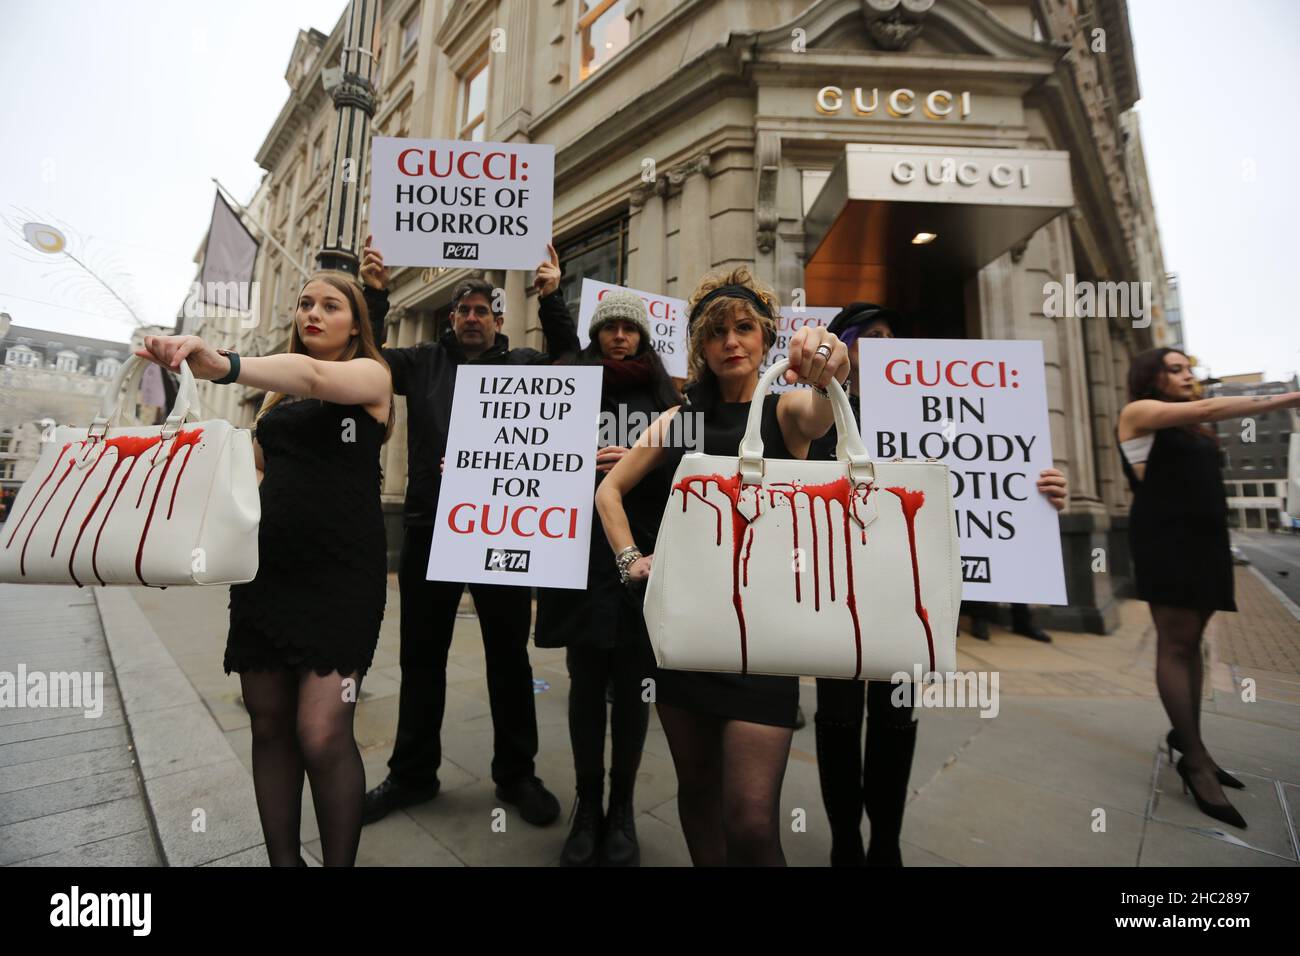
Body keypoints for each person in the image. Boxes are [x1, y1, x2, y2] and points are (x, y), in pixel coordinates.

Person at [133, 270, 393, 866]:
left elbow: (316, 374)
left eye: (331, 305)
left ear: (357, 323)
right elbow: (254, 475)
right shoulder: (277, 401)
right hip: (269, 573)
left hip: (342, 575)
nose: (314, 312)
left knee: (322, 733)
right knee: (269, 724)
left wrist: (225, 363)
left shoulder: (370, 376)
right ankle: (282, 863)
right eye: (305, 303)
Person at [596, 266, 849, 866]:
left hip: (764, 644)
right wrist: (632, 560)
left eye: (743, 328)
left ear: (764, 338)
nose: (731, 341)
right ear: (701, 348)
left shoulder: (785, 411)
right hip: (685, 636)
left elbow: (821, 415)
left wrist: (829, 359)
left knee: (754, 822)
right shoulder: (679, 418)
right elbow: (608, 493)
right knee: (699, 796)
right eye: (716, 333)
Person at [810, 302, 1068, 866]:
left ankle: (886, 842)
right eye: (868, 336)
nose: (882, 343)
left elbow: (983, 474)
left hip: (908, 589)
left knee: (896, 716)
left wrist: (1037, 491)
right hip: (840, 586)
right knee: (836, 716)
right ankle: (844, 842)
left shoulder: (938, 415)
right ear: (845, 348)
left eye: (889, 335)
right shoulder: (820, 411)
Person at [358, 239, 580, 828]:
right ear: (451, 317)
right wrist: (374, 295)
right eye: (464, 310)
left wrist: (554, 298)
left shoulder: (528, 365)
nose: (473, 317)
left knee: (508, 656)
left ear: (499, 319)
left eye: (483, 309)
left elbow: (574, 369)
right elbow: (368, 358)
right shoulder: (423, 361)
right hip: (430, 529)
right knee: (420, 658)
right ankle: (411, 775)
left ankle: (516, 775)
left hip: (503, 534)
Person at [1118, 348, 1300, 830]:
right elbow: (1207, 407)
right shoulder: (1137, 413)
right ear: (1150, 377)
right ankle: (1195, 762)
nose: (1187, 377)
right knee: (1175, 644)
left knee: (1193, 645)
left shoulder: (1191, 428)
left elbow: (1202, 422)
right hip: (1167, 540)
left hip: (1206, 541)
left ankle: (1191, 740)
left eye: (1188, 369)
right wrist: (1289, 398)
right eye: (1174, 370)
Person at [534, 291, 682, 866]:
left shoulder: (669, 398)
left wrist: (641, 457)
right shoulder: (566, 384)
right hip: (576, 554)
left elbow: (691, 460)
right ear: (594, 335)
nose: (619, 335)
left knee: (634, 681)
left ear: (644, 337)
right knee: (586, 680)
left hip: (641, 553)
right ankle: (588, 806)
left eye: (629, 328)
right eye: (609, 327)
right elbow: (531, 446)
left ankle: (622, 809)